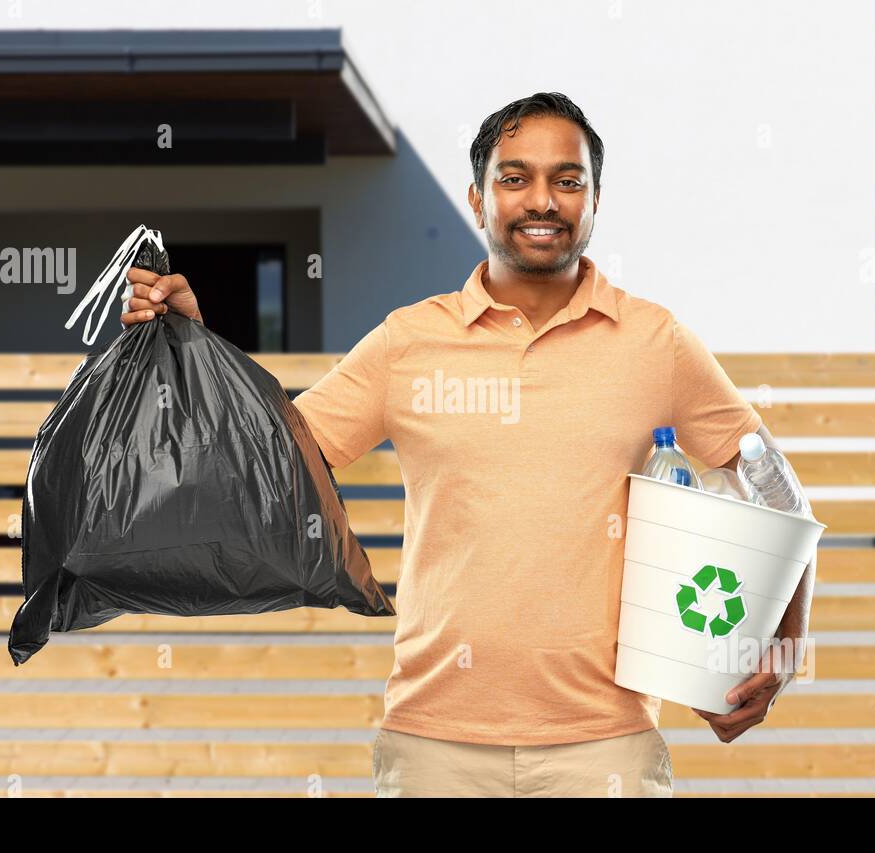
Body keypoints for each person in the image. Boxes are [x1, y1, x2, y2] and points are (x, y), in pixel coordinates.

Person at [121, 92, 817, 798]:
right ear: (478, 201)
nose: (541, 200)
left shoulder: (656, 343)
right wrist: (195, 351)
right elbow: (264, 465)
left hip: (607, 748)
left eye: (566, 181)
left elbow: (781, 495)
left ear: (595, 200)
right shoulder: (408, 342)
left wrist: (783, 652)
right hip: (433, 749)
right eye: (514, 179)